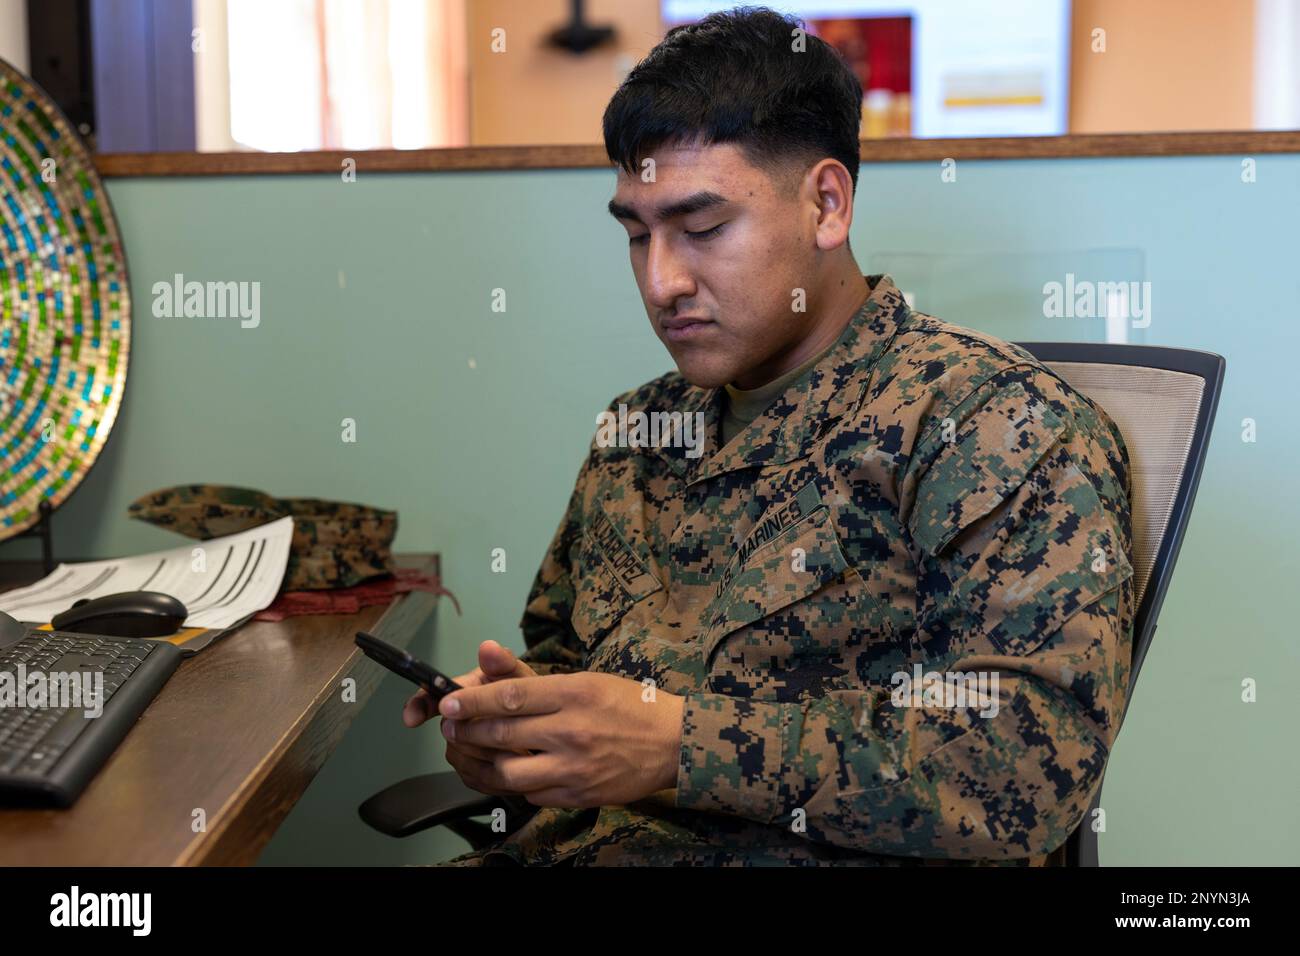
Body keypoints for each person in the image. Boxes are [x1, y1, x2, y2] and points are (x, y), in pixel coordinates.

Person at [403, 6, 1134, 866]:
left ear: (826, 204)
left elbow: (1021, 773)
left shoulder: (993, 425)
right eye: (637, 236)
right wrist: (522, 733)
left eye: (704, 229)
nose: (662, 279)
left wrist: (681, 748)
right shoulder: (640, 430)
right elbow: (563, 653)